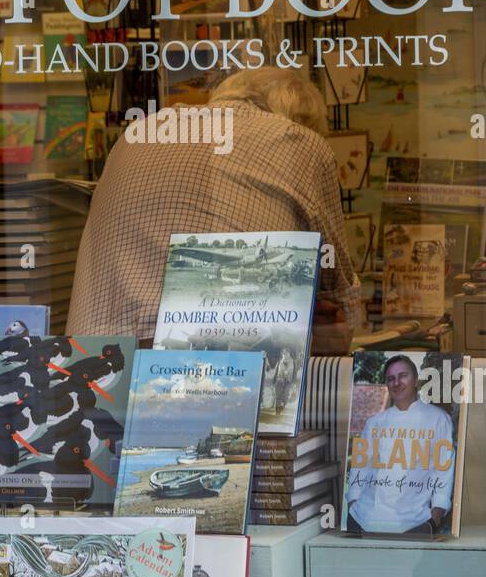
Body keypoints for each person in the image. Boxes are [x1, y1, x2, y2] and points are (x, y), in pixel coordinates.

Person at [67, 68, 361, 350]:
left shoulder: (137, 134)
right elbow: (336, 289)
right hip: (221, 371)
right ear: (299, 120)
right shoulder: (297, 140)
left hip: (99, 363)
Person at [345, 354, 454, 536]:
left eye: (403, 376)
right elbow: (360, 466)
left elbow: (443, 470)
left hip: (414, 523)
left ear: (416, 380)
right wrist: (353, 502)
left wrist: (437, 513)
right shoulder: (375, 422)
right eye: (391, 378)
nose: (397, 382)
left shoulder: (438, 419)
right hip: (364, 518)